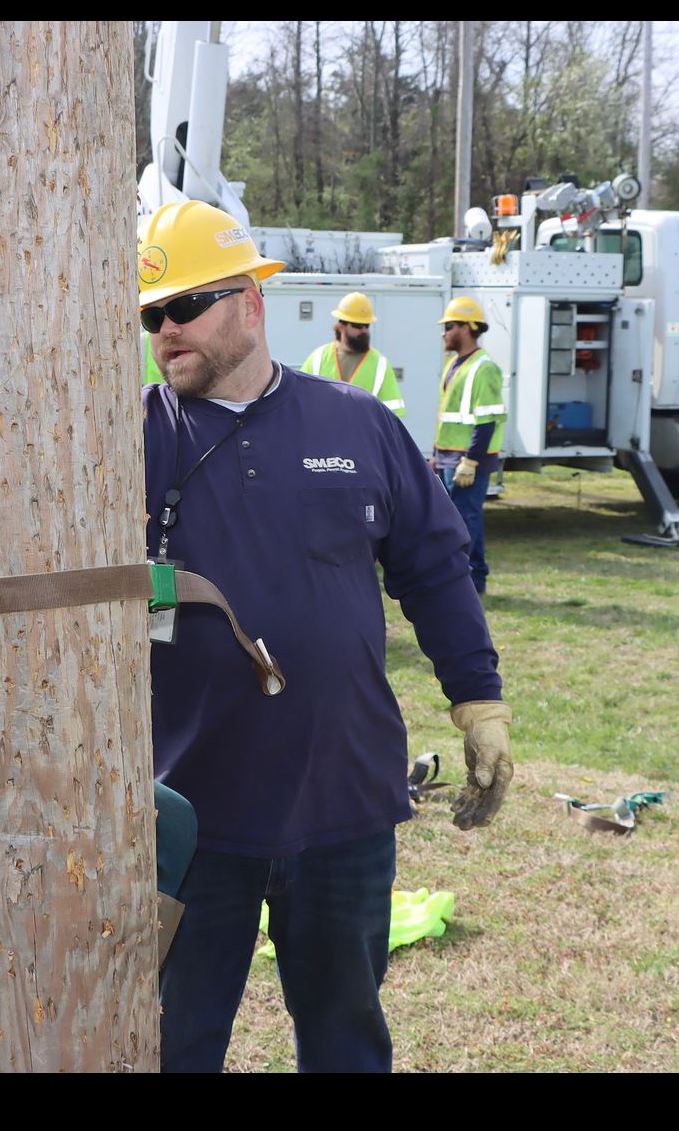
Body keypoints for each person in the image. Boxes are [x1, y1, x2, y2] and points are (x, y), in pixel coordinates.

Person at [136, 200, 513, 1073]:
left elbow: (433, 567)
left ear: (250, 303)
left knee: (346, 1039)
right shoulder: (131, 441)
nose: (166, 330)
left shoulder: (359, 425)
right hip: (190, 812)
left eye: (184, 306)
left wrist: (478, 699)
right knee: (172, 1045)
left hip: (343, 801)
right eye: (153, 314)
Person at [432, 296, 506, 595]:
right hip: (450, 457)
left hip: (468, 460)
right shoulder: (455, 364)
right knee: (465, 518)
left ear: (467, 327)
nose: (444, 333)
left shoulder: (484, 367)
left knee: (465, 520)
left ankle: (466, 581)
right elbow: (447, 415)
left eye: (449, 326)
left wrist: (472, 461)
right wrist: (437, 453)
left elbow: (487, 420)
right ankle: (474, 579)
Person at [299, 291, 406, 418]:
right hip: (322, 435)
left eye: (367, 325)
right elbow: (299, 401)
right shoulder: (318, 358)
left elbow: (392, 414)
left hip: (363, 437)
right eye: (358, 325)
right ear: (341, 326)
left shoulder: (380, 364)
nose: (364, 330)